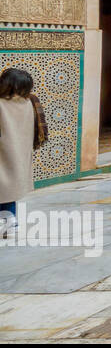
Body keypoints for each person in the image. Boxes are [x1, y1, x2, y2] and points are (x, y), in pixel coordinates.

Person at [0, 68, 47, 239]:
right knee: (7, 189)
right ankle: (10, 224)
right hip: (18, 152)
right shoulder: (30, 102)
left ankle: (9, 223)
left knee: (4, 188)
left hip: (4, 152)